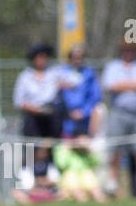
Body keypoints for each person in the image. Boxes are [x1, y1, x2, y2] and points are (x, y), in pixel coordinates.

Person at [102, 38, 136, 197]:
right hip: (118, 113)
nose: (129, 53)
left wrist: (125, 84)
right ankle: (112, 185)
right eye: (126, 49)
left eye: (132, 50)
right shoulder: (113, 66)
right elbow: (111, 85)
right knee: (114, 149)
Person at [14, 42, 61, 181]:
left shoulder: (55, 73)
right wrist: (35, 109)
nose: (42, 60)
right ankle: (28, 174)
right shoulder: (25, 76)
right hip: (32, 117)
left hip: (51, 117)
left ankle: (51, 170)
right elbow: (18, 101)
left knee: (51, 141)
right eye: (39, 57)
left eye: (44, 56)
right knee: (31, 145)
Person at [58, 44, 100, 139]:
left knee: (83, 145)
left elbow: (95, 96)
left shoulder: (89, 73)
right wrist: (69, 112)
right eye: (75, 57)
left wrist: (83, 112)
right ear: (70, 58)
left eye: (80, 57)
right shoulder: (61, 72)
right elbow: (59, 96)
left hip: (85, 119)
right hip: (66, 118)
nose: (77, 60)